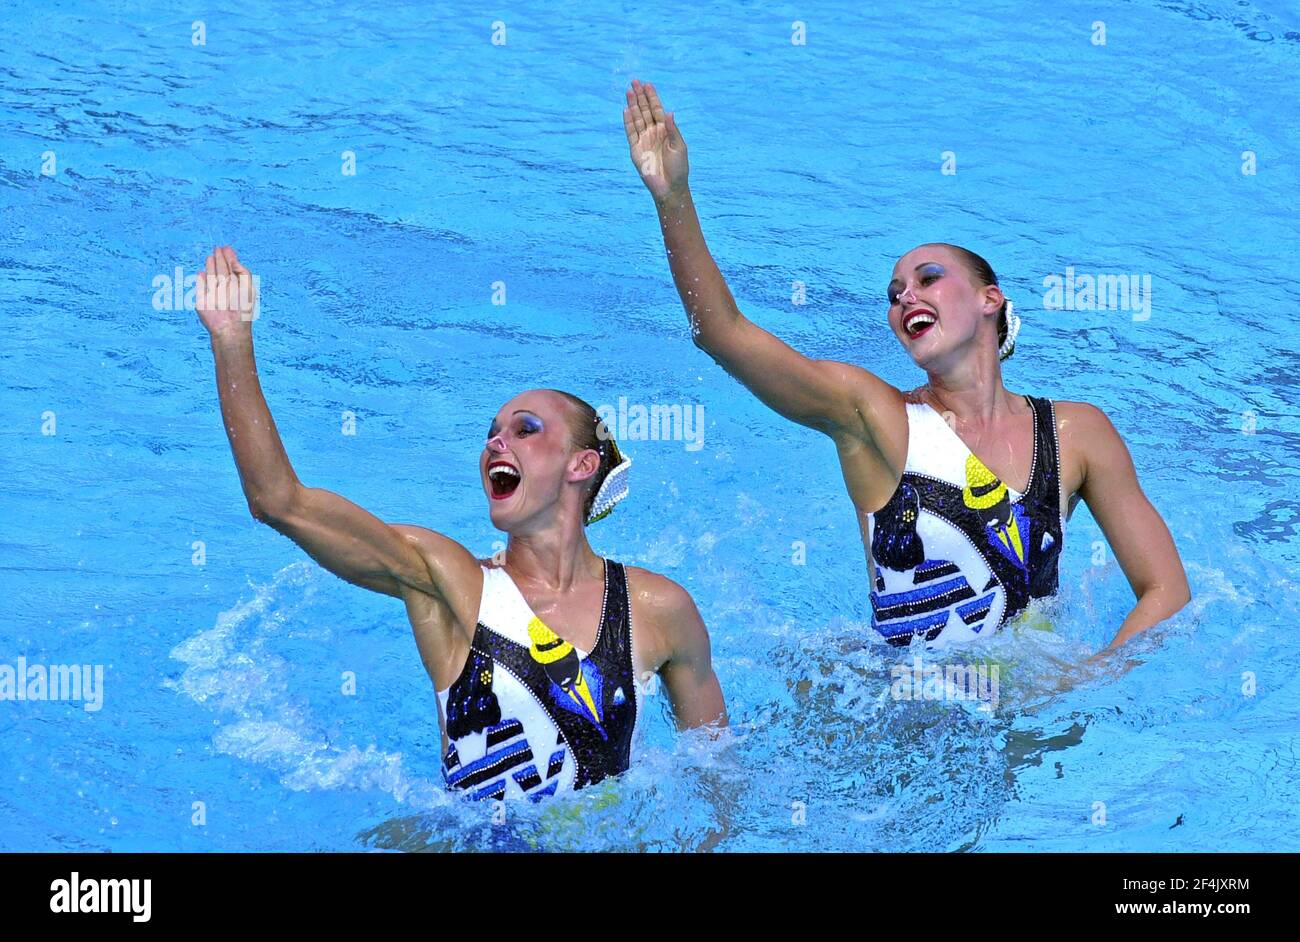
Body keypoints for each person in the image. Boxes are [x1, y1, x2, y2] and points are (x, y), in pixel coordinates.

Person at [623, 79, 1189, 652]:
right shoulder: (874, 416)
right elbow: (722, 334)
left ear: (990, 299)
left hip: (1028, 728)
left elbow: (1165, 589)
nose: (905, 298)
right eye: (895, 294)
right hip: (905, 720)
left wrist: (1088, 679)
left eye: (928, 279)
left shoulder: (1076, 434)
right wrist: (673, 197)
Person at [194, 246, 726, 802]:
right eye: (492, 433)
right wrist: (232, 342)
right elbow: (278, 502)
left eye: (525, 430)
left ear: (581, 464)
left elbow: (717, 782)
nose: (497, 441)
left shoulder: (659, 610)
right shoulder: (450, 584)